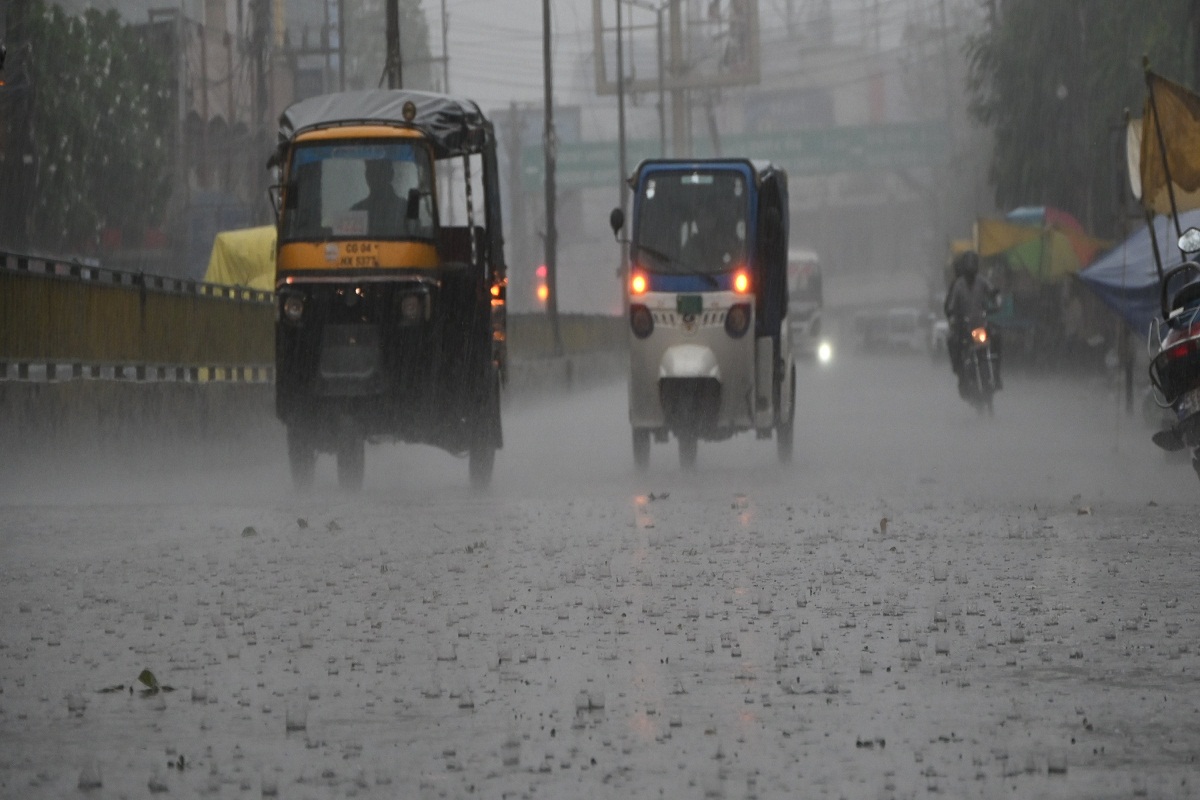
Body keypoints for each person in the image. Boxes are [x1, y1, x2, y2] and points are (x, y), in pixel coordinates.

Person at [943, 250, 1002, 389]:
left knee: (997, 338)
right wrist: (953, 315)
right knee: (953, 341)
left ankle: (997, 374)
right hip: (964, 326)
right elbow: (951, 305)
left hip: (981, 324)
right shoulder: (958, 285)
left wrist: (997, 302)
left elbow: (992, 292)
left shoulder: (982, 281)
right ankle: (960, 372)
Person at [352, 159, 403, 235]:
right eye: (372, 172)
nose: (376, 178)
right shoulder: (356, 212)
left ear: (390, 174)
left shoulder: (405, 209)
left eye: (380, 172)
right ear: (367, 176)